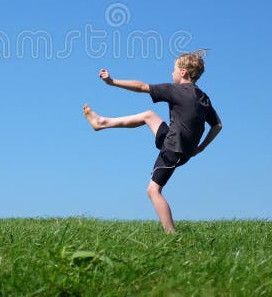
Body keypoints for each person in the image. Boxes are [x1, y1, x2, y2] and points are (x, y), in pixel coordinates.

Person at [82, 50, 223, 233]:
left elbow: (141, 87)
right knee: (149, 116)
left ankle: (171, 234)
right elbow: (217, 125)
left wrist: (112, 81)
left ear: (183, 73)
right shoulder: (203, 98)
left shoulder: (176, 90)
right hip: (183, 147)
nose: (171, 73)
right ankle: (101, 122)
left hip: (173, 149)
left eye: (173, 69)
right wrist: (200, 148)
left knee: (153, 190)